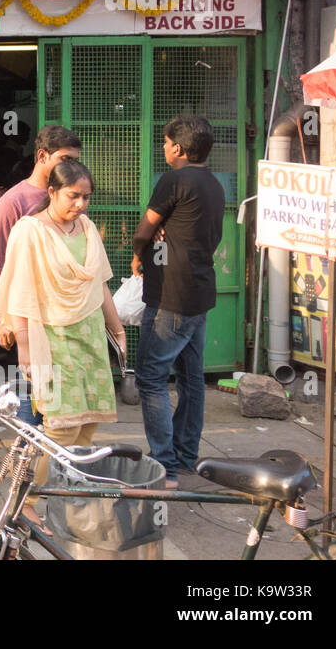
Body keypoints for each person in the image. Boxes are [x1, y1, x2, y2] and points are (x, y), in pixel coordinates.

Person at [0, 159, 126, 486]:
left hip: (90, 337)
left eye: (87, 197)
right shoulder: (30, 230)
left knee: (87, 425)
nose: (81, 204)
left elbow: (101, 284)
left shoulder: (88, 229)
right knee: (59, 428)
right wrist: (24, 349)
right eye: (73, 196)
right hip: (51, 340)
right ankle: (27, 503)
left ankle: (70, 497)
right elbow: (21, 292)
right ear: (52, 192)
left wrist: (118, 331)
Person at [131, 116, 225, 489]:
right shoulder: (214, 184)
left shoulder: (175, 179)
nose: (164, 148)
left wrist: (139, 253)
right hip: (200, 293)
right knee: (191, 377)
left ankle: (165, 467)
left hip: (171, 295)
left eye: (167, 142)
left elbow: (145, 228)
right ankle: (185, 457)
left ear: (180, 149)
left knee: (151, 379)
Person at [0, 124, 82, 426]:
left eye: (75, 160)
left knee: (61, 401)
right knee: (31, 392)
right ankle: (25, 468)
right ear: (42, 156)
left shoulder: (72, 198)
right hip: (27, 313)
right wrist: (3, 318)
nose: (72, 166)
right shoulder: (13, 202)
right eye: (65, 159)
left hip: (65, 313)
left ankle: (48, 467)